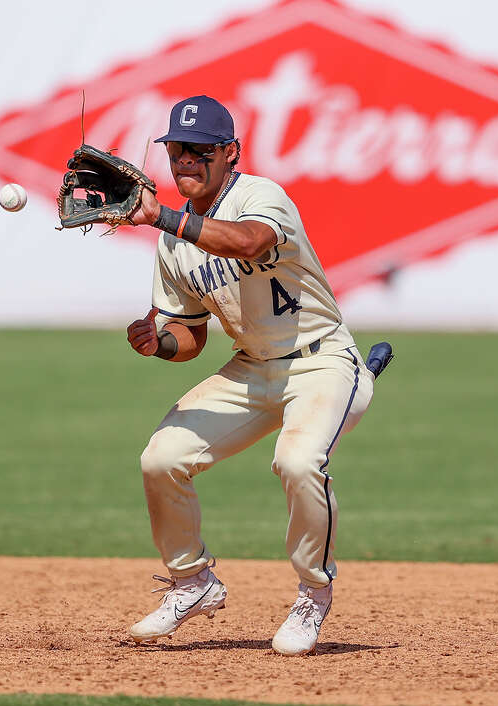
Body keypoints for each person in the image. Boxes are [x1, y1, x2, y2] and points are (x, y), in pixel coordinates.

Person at [123, 95, 374, 655]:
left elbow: (249, 242)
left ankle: (313, 592)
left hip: (322, 360)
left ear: (229, 153)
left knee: (298, 461)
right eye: (175, 150)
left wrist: (161, 215)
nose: (185, 160)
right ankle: (192, 582)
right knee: (161, 459)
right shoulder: (174, 242)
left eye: (199, 150)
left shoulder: (259, 196)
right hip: (251, 367)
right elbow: (192, 335)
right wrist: (159, 342)